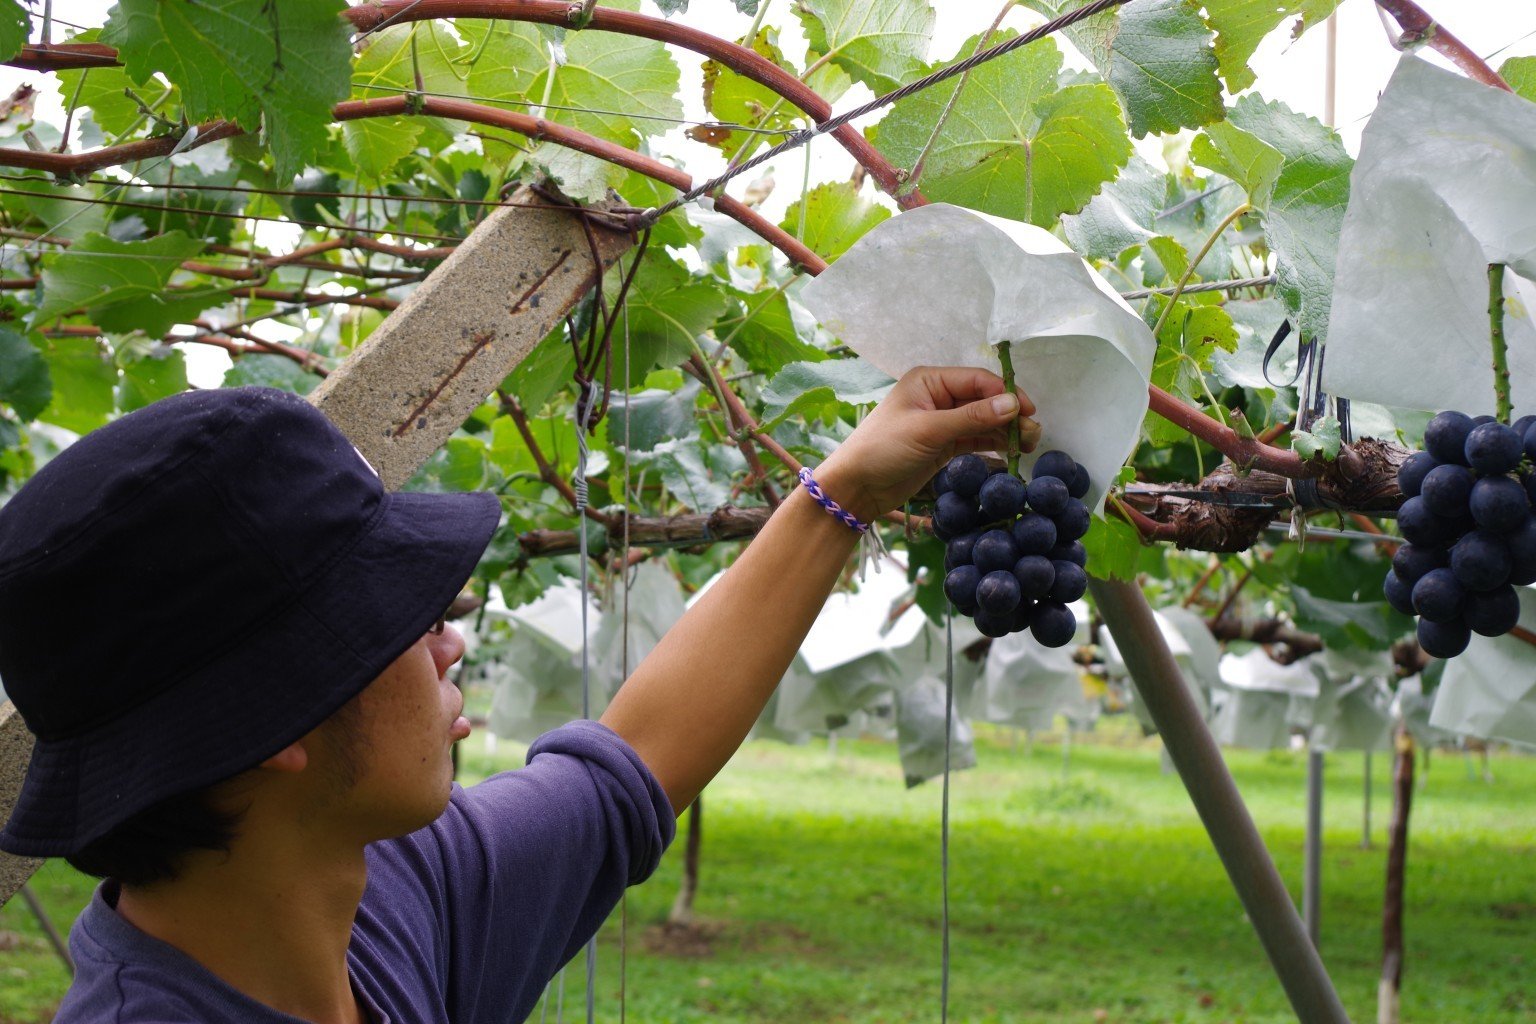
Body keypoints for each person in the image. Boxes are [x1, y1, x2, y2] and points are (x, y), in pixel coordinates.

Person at [0, 366, 1036, 1024]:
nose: (448, 643)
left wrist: (848, 485)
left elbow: (638, 758)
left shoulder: (377, 895)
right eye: (402, 621)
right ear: (274, 722)